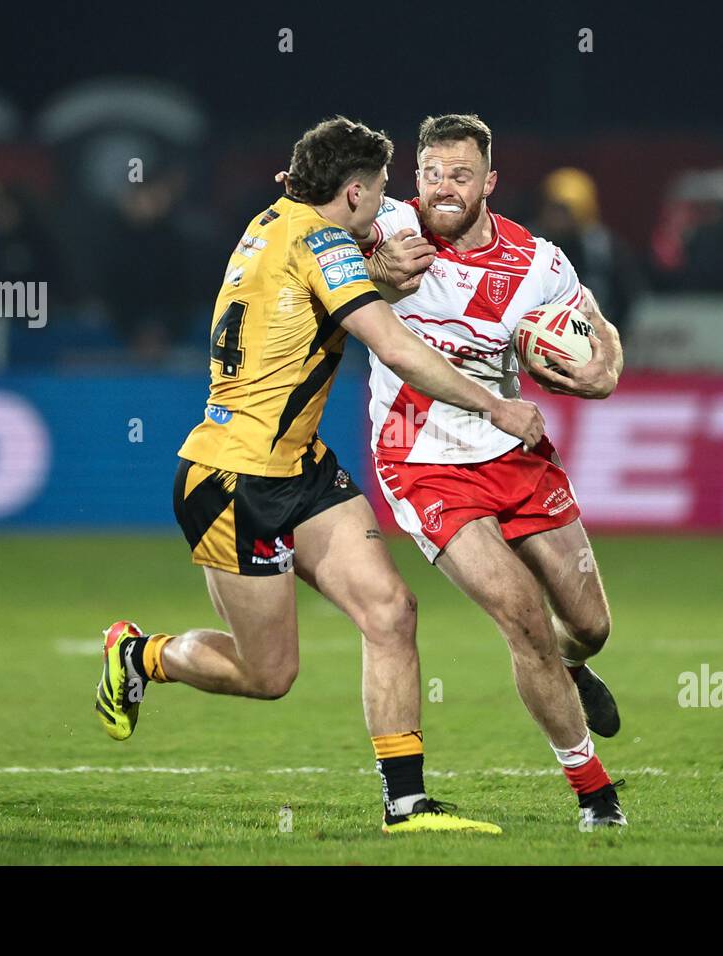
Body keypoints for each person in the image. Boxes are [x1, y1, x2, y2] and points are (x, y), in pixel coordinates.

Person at [93, 116, 545, 834]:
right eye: (382, 194)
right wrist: (496, 405)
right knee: (268, 677)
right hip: (232, 481)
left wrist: (374, 269)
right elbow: (393, 348)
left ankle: (407, 803)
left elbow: (325, 278)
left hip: (299, 468)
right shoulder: (320, 241)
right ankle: (139, 654)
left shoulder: (278, 220)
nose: (390, 209)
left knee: (391, 611)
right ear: (356, 192)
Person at [361, 114, 628, 827]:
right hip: (421, 457)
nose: (442, 190)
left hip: (512, 450)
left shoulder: (539, 263)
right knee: (521, 614)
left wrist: (600, 371)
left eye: (459, 175)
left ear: (489, 182)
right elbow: (304, 231)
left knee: (589, 626)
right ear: (414, 176)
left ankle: (575, 669)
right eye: (431, 174)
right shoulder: (384, 228)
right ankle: (594, 792)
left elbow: (598, 335)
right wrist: (365, 265)